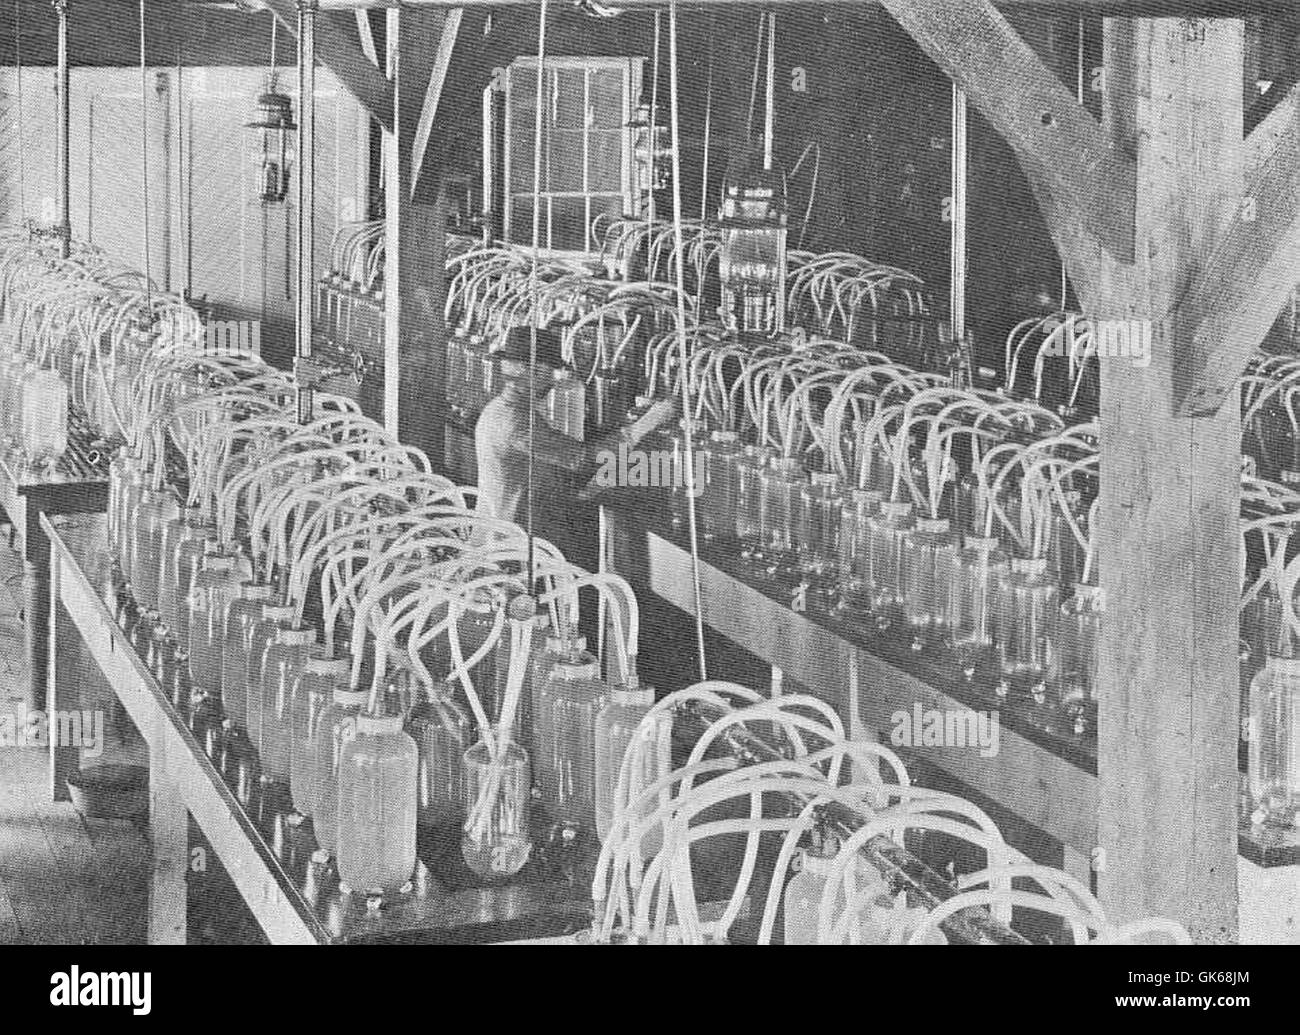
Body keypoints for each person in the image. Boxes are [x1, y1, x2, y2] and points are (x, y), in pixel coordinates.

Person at [475, 325, 675, 562]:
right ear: (533, 370)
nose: (551, 383)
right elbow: (585, 459)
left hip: (499, 534)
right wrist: (649, 421)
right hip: (515, 548)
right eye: (550, 373)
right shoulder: (517, 423)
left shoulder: (498, 409)